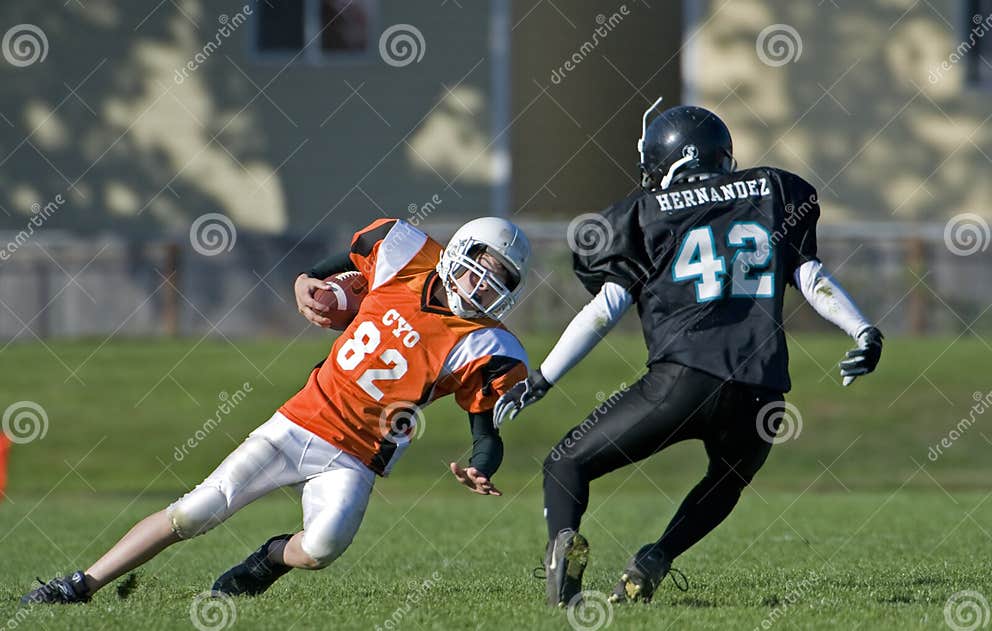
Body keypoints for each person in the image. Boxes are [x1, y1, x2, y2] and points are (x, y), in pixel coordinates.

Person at [493, 101, 884, 607]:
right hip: (762, 394)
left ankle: (563, 569)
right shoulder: (772, 191)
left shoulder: (644, 214)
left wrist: (543, 378)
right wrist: (864, 330)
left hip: (683, 380)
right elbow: (809, 275)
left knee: (566, 464)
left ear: (667, 159)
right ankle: (656, 559)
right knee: (727, 481)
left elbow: (605, 308)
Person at [22, 216, 531, 604]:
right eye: (483, 274)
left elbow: (486, 434)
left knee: (323, 547)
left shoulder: (487, 345)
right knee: (194, 511)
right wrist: (306, 279)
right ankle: (78, 586)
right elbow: (337, 266)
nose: (486, 290)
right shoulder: (405, 252)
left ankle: (266, 561)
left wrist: (480, 467)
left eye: (500, 283)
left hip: (355, 457)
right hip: (297, 423)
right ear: (459, 255)